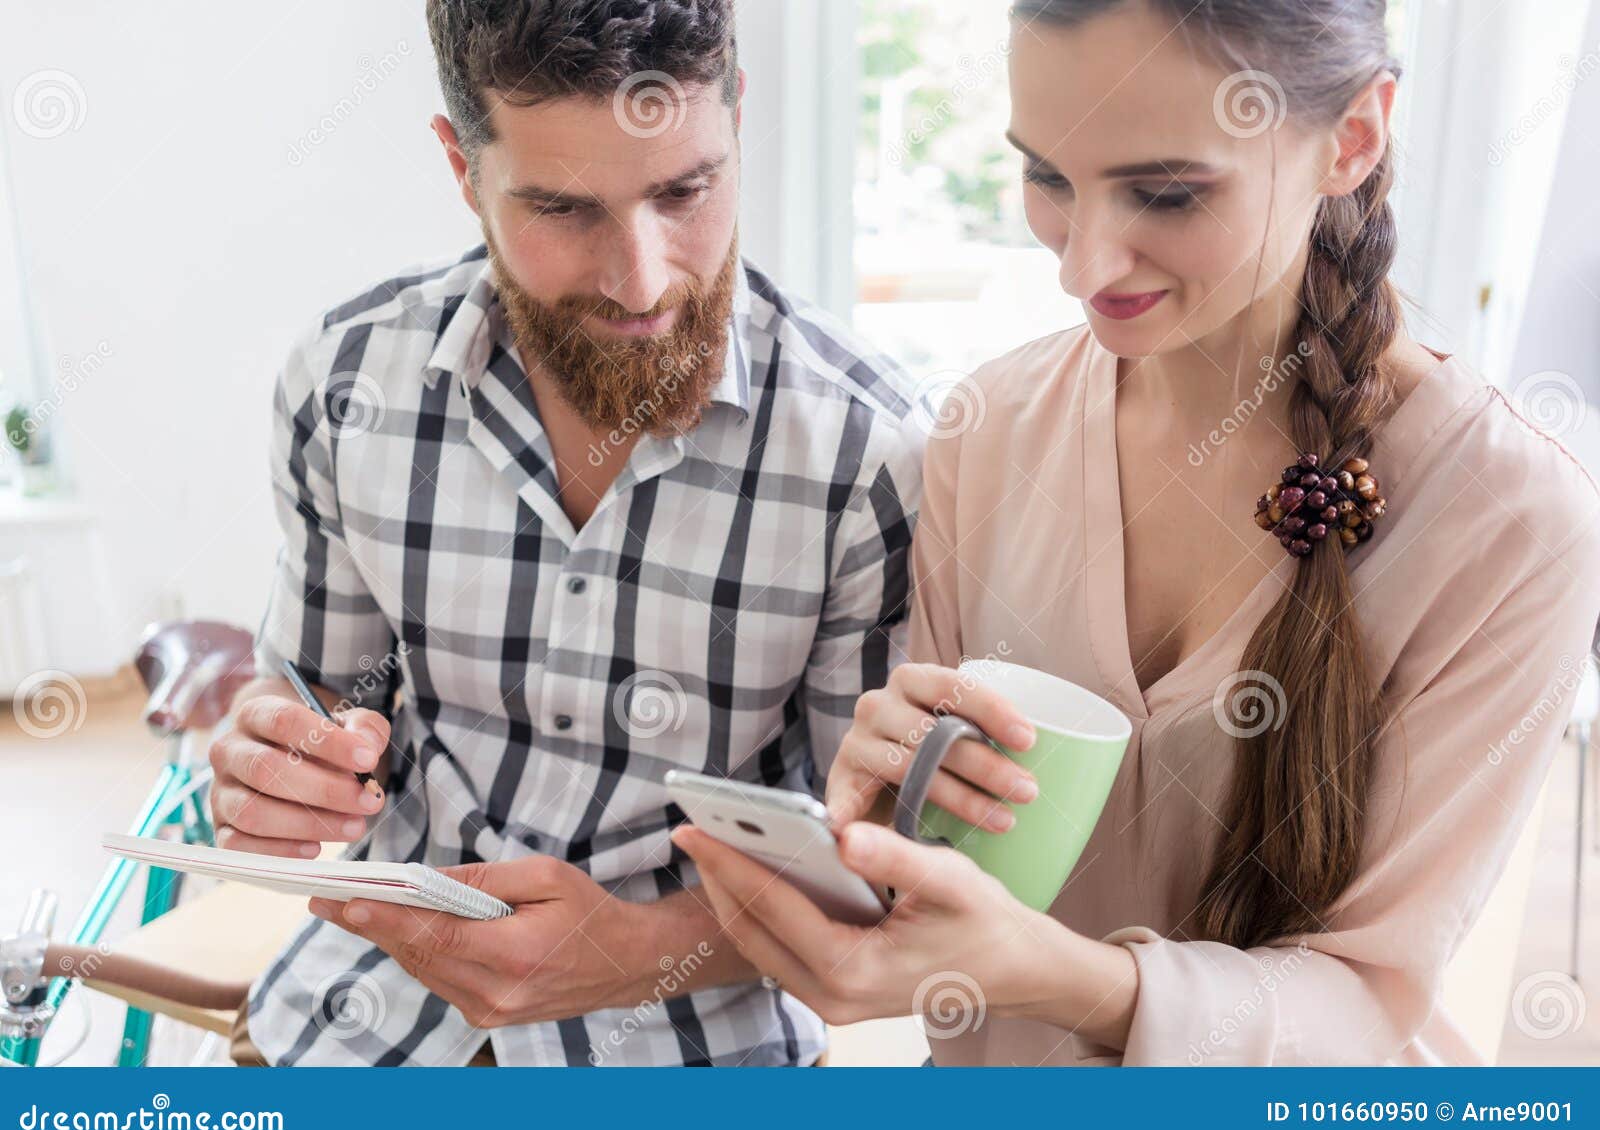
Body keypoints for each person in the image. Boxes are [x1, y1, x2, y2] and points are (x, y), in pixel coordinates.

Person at [675, 0, 1600, 1065]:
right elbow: (947, 883)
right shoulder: (989, 426)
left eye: (1166, 191)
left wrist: (1058, 976)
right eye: (1049, 178)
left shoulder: (1511, 520)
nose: (1082, 268)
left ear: (1351, 137)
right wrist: (898, 815)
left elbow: (1369, 1002)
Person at [210, 0, 921, 1067]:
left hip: (693, 1050)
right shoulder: (345, 380)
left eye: (685, 191)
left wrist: (645, 947)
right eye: (561, 208)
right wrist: (277, 758)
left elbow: (873, 871)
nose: (643, 281)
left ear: (738, 114)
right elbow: (317, 696)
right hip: (356, 1021)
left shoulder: (866, 456)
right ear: (462, 168)